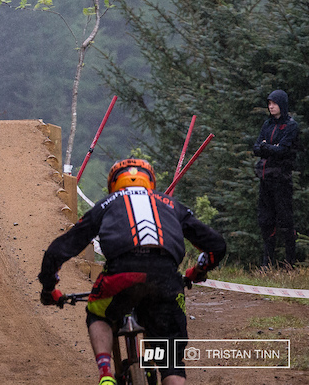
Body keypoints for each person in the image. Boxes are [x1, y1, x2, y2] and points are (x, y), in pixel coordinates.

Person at [38, 158, 227, 385]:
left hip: (122, 274)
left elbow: (58, 250)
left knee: (98, 313)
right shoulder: (171, 204)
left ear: (113, 184)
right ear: (151, 182)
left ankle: (106, 375)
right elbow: (216, 246)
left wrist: (49, 288)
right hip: (165, 277)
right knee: (171, 363)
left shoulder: (106, 204)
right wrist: (198, 270)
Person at [253, 89, 300, 267]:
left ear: (282, 104)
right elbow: (256, 147)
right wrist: (270, 147)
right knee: (265, 220)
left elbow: (283, 151)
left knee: (285, 220)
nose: (270, 106)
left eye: (274, 103)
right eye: (269, 103)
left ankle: (290, 263)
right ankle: (267, 264)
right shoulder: (268, 124)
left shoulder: (291, 126)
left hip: (282, 180)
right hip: (265, 179)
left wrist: (267, 147)